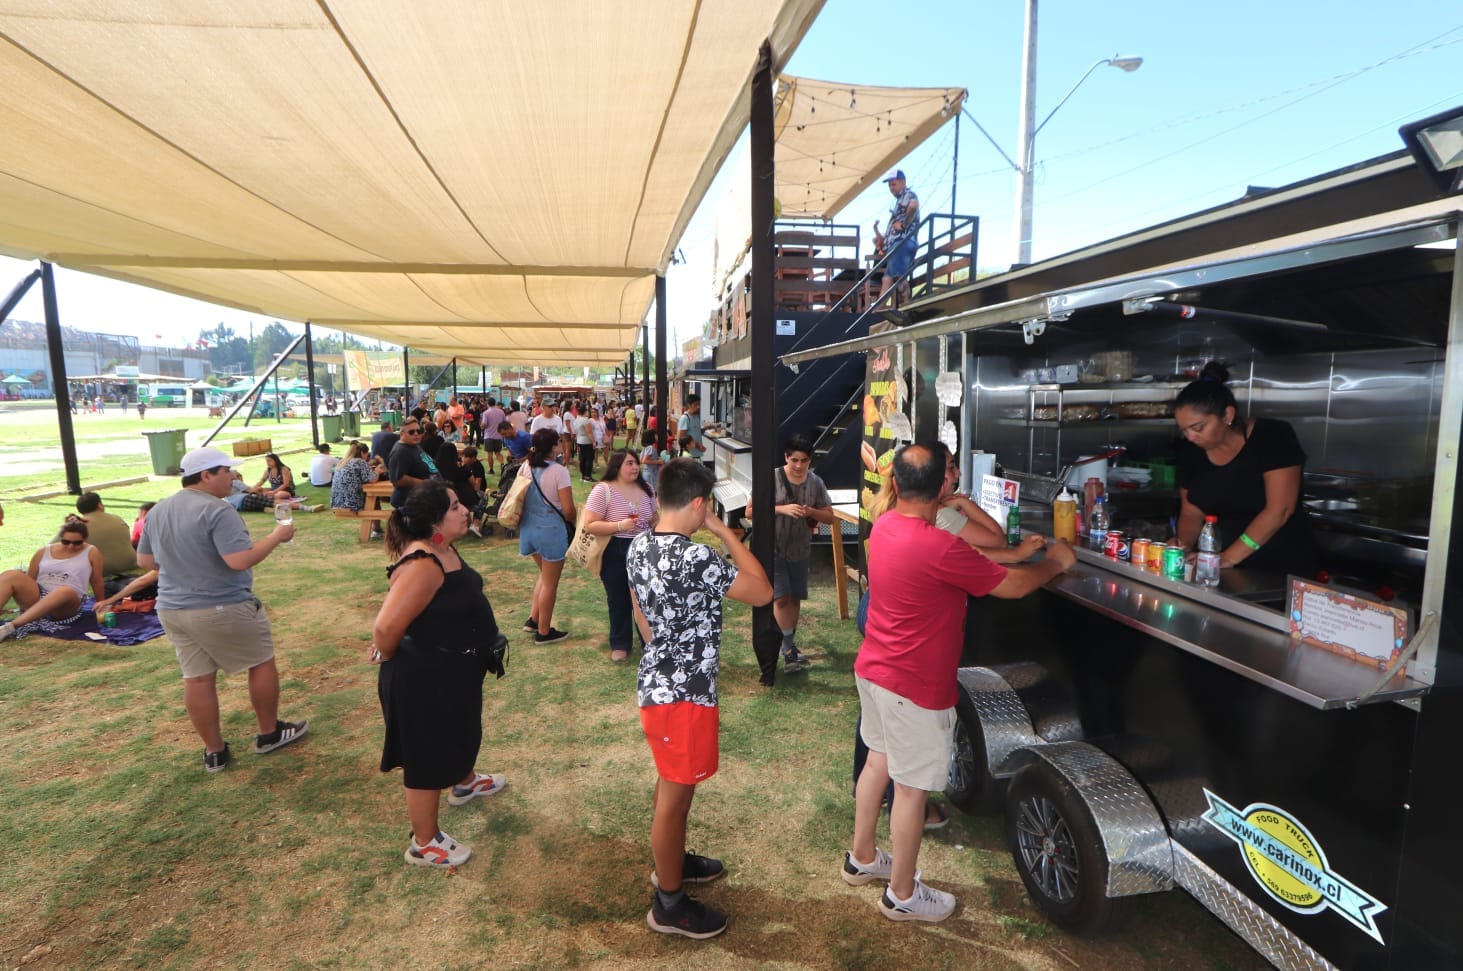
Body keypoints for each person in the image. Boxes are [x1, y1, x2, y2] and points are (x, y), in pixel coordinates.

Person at [843, 444, 1075, 923]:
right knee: (911, 790)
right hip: (914, 686)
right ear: (941, 487)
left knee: (878, 764)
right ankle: (902, 894)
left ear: (896, 484)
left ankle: (862, 857)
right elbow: (1013, 585)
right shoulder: (939, 545)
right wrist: (1055, 563)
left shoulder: (885, 525)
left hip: (875, 671)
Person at [628, 458, 773, 939]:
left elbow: (640, 615)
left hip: (660, 686)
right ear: (698, 504)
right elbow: (761, 590)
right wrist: (725, 532)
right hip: (682, 697)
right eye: (706, 507)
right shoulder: (696, 558)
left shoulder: (640, 546)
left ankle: (672, 862)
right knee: (675, 797)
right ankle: (668, 903)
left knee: (672, 787)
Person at [136, 447, 308, 772]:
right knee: (260, 662)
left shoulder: (159, 509)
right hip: (222, 605)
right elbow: (239, 560)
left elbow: (146, 561)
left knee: (197, 679)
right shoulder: (219, 510)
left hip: (172, 609)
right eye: (226, 471)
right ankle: (269, 733)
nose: (233, 477)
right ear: (206, 475)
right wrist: (277, 536)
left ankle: (214, 751)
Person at [370, 481, 507, 868]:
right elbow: (385, 630)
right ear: (433, 522)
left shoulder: (443, 547)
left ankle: (464, 782)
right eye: (453, 506)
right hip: (423, 679)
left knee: (461, 731)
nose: (464, 509)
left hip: (452, 672)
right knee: (426, 758)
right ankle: (424, 842)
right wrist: (395, 652)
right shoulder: (423, 563)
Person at [1173, 362, 1316, 576]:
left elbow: (1280, 510)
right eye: (1184, 430)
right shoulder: (1190, 451)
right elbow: (1192, 512)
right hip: (1219, 565)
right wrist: (1181, 546)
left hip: (1277, 565)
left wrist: (1229, 556)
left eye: (1198, 427)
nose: (1190, 437)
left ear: (1228, 415)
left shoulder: (1272, 436)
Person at [743, 434, 833, 674]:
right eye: (794, 460)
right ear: (786, 457)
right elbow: (750, 512)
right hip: (772, 549)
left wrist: (810, 511)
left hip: (800, 549)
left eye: (804, 461)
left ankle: (789, 645)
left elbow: (830, 517)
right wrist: (782, 509)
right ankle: (788, 649)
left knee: (794, 598)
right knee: (781, 598)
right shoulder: (772, 478)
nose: (799, 466)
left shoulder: (815, 483)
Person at [582, 451, 657, 663]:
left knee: (645, 598)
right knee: (618, 598)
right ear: (617, 466)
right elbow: (590, 524)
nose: (635, 467)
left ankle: (649, 643)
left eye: (636, 464)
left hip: (643, 547)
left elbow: (654, 518)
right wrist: (619, 526)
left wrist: (657, 526)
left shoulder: (647, 489)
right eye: (629, 463)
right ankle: (620, 643)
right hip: (615, 547)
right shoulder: (602, 490)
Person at [0, 519, 105, 642]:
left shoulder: (91, 552)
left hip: (68, 601)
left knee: (64, 591)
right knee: (11, 575)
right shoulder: (44, 551)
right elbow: (31, 579)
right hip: (39, 595)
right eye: (66, 542)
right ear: (60, 538)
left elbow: (97, 581)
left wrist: (101, 603)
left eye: (77, 543)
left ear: (85, 540)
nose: (71, 546)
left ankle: (8, 628)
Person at [517, 428, 576, 644]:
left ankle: (534, 619)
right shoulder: (559, 471)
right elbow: (568, 509)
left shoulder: (526, 466)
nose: (562, 444)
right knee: (551, 582)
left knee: (544, 576)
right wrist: (574, 523)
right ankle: (543, 631)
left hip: (528, 528)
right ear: (553, 447)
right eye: (559, 441)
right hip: (550, 529)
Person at [875, 169, 919, 309]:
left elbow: (913, 207)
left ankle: (907, 307)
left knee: (898, 277)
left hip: (902, 243)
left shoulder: (909, 195)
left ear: (902, 182)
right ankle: (877, 311)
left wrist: (904, 224)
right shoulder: (899, 200)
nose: (891, 188)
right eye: (890, 185)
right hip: (895, 245)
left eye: (893, 184)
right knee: (887, 278)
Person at [74, 491, 138, 577]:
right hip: (131, 563)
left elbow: (53, 547)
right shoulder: (117, 519)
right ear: (100, 505)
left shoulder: (77, 525)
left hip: (102, 569)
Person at [388, 418, 438, 509]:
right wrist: (424, 483)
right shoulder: (400, 451)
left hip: (425, 498)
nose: (416, 434)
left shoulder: (414, 445)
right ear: (402, 434)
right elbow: (397, 479)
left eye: (419, 431)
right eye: (411, 432)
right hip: (410, 503)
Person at [330, 441, 380, 514]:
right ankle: (376, 525)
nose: (367, 457)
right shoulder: (360, 461)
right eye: (367, 454)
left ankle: (375, 525)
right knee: (374, 499)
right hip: (352, 504)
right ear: (362, 453)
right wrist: (377, 471)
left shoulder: (342, 462)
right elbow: (373, 479)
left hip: (337, 503)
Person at [481, 398, 506, 473]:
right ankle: (502, 464)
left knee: (490, 453)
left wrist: (481, 426)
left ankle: (491, 469)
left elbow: (484, 424)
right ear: (495, 403)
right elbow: (504, 423)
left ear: (487, 403)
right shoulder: (501, 412)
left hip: (489, 436)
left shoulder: (486, 413)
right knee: (498, 452)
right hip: (498, 436)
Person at [572, 407, 596, 482]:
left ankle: (583, 476)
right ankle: (587, 476)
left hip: (579, 440)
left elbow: (575, 431)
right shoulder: (585, 420)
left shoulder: (576, 420)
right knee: (589, 458)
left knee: (582, 458)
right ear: (585, 412)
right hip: (587, 441)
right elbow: (589, 432)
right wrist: (593, 442)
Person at [678, 397, 705, 462]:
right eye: (695, 404)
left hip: (697, 455)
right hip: (688, 457)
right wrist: (697, 445)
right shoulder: (685, 418)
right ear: (689, 405)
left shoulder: (696, 417)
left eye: (699, 404)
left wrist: (706, 428)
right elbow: (681, 439)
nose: (698, 407)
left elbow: (696, 432)